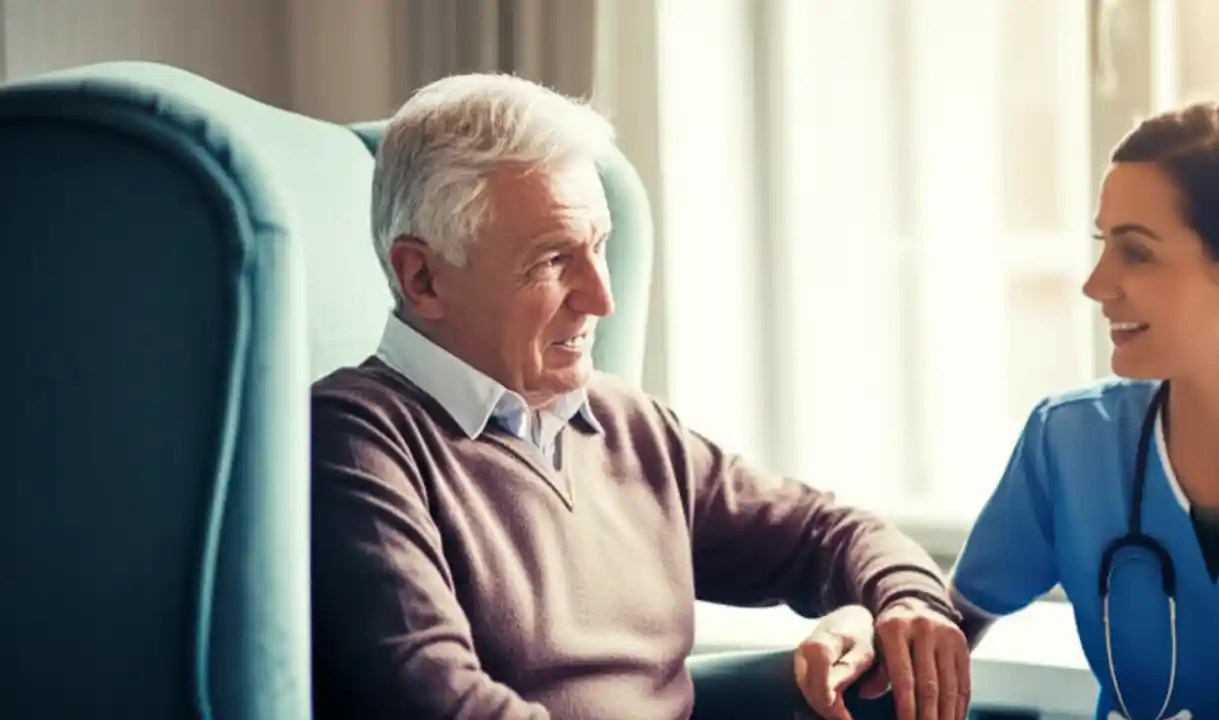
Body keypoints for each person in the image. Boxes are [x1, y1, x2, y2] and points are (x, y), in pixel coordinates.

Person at [309, 73, 969, 720]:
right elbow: (435, 700)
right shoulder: (351, 442)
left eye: (599, 246)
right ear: (422, 277)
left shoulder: (630, 425)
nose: (603, 297)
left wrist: (904, 600)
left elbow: (830, 533)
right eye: (552, 260)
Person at [949, 99, 1219, 720]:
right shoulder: (1072, 444)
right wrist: (881, 618)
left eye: (1136, 251)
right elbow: (939, 634)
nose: (1095, 284)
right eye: (1103, 244)